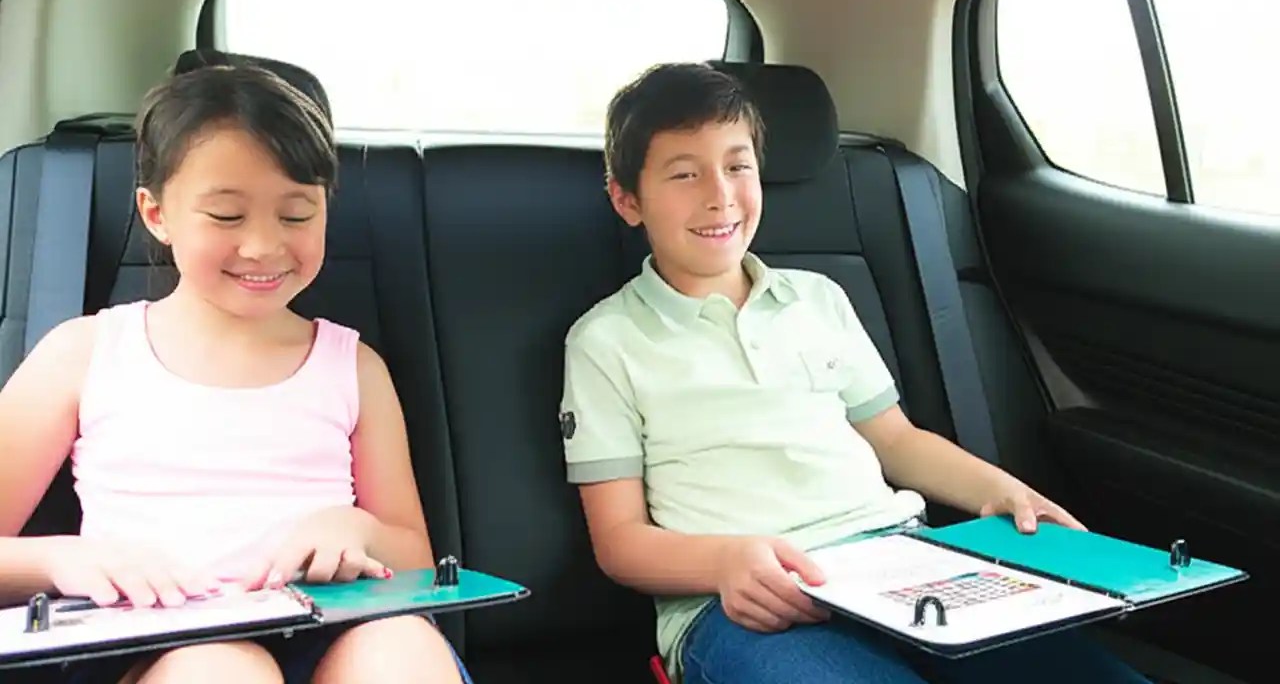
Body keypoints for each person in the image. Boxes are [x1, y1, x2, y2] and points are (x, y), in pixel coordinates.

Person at [558, 62, 1150, 684]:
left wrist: (1000, 491)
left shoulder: (818, 299)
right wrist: (727, 560)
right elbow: (619, 539)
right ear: (627, 200)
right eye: (685, 174)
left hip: (901, 563)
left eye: (737, 166)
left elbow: (894, 439)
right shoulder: (607, 342)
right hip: (745, 601)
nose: (720, 194)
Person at [0, 65, 470, 684]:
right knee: (222, 671)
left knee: (402, 652)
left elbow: (414, 554)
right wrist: (62, 558)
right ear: (157, 213)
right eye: (226, 216)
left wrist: (354, 528)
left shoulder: (352, 366)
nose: (263, 246)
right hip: (155, 642)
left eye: (297, 215)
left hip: (330, 625)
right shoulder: (86, 353)